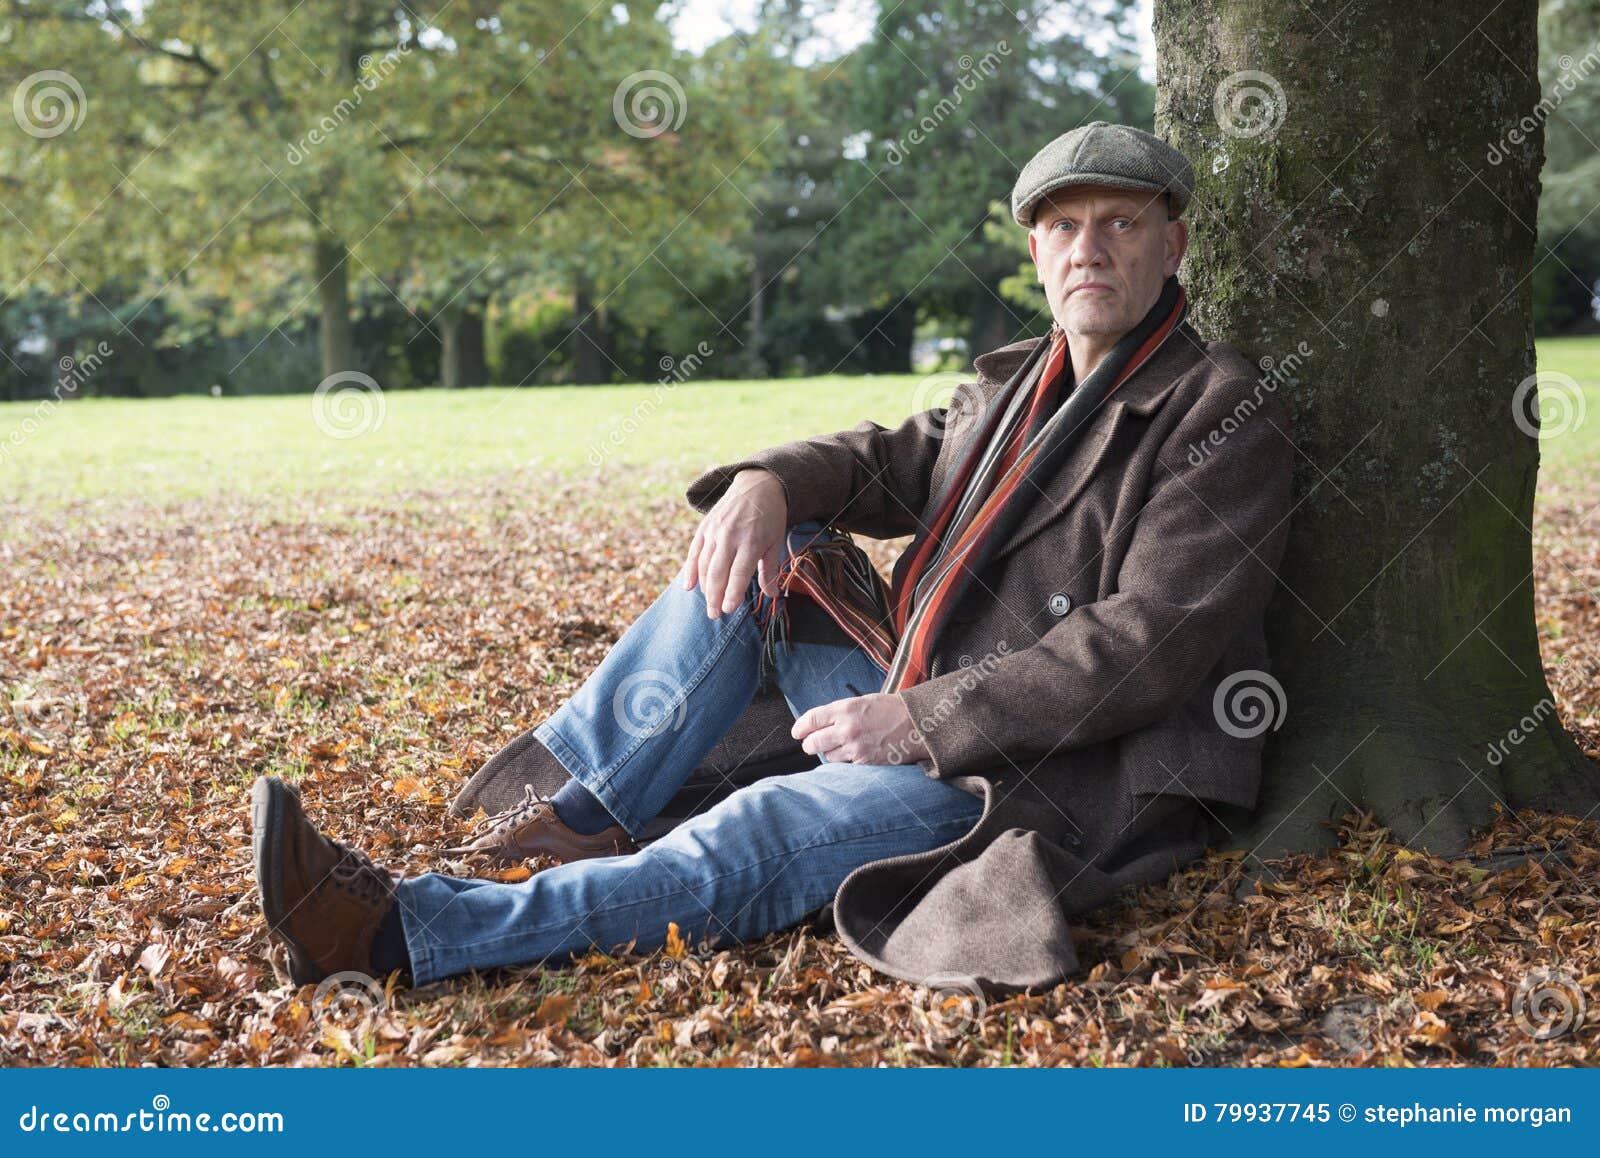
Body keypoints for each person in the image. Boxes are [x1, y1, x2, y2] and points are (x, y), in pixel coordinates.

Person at [250, 121, 1295, 995]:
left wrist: (919, 720)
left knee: (763, 824)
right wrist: (763, 483)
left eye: (1121, 223)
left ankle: (404, 934)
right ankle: (580, 815)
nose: (1089, 249)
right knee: (772, 548)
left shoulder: (1220, 410)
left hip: (1048, 768)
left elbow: (1147, 643)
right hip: (922, 679)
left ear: (1175, 243)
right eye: (1063, 227)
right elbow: (887, 460)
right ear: (1034, 255)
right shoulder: (1014, 390)